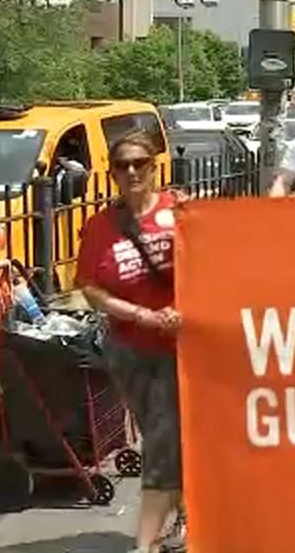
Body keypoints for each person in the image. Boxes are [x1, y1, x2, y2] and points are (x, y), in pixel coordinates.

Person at [77, 131, 183, 553]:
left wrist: (180, 309)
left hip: (182, 345)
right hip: (132, 349)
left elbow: (213, 263)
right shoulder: (101, 226)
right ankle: (186, 518)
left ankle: (147, 543)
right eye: (123, 165)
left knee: (162, 440)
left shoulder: (180, 211)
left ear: (154, 166)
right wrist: (141, 315)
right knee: (165, 436)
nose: (133, 171)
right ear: (113, 173)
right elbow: (89, 287)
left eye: (140, 162)